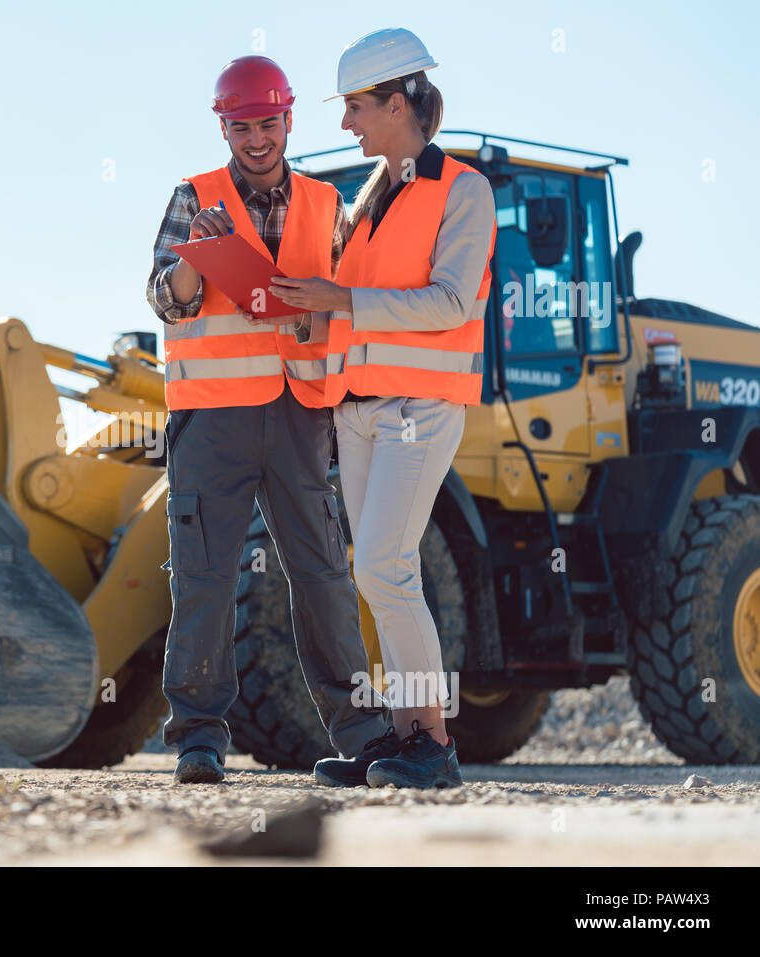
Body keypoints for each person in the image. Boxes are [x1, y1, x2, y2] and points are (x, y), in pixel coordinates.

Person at [146, 54, 391, 785]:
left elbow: (351, 297)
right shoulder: (194, 196)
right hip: (212, 417)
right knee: (205, 575)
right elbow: (166, 296)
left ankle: (363, 729)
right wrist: (198, 256)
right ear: (225, 128)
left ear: (288, 120)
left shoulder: (326, 204)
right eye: (243, 126)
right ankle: (197, 737)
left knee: (321, 574)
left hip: (299, 416)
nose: (257, 138)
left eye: (268, 123)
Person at [267, 28, 496, 789]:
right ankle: (401, 735)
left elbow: (452, 300)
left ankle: (432, 740)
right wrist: (303, 307)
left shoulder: (462, 191)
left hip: (419, 409)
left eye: (357, 108)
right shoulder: (370, 198)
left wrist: (344, 298)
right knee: (374, 571)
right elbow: (352, 310)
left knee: (390, 568)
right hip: (360, 412)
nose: (346, 125)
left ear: (400, 103)